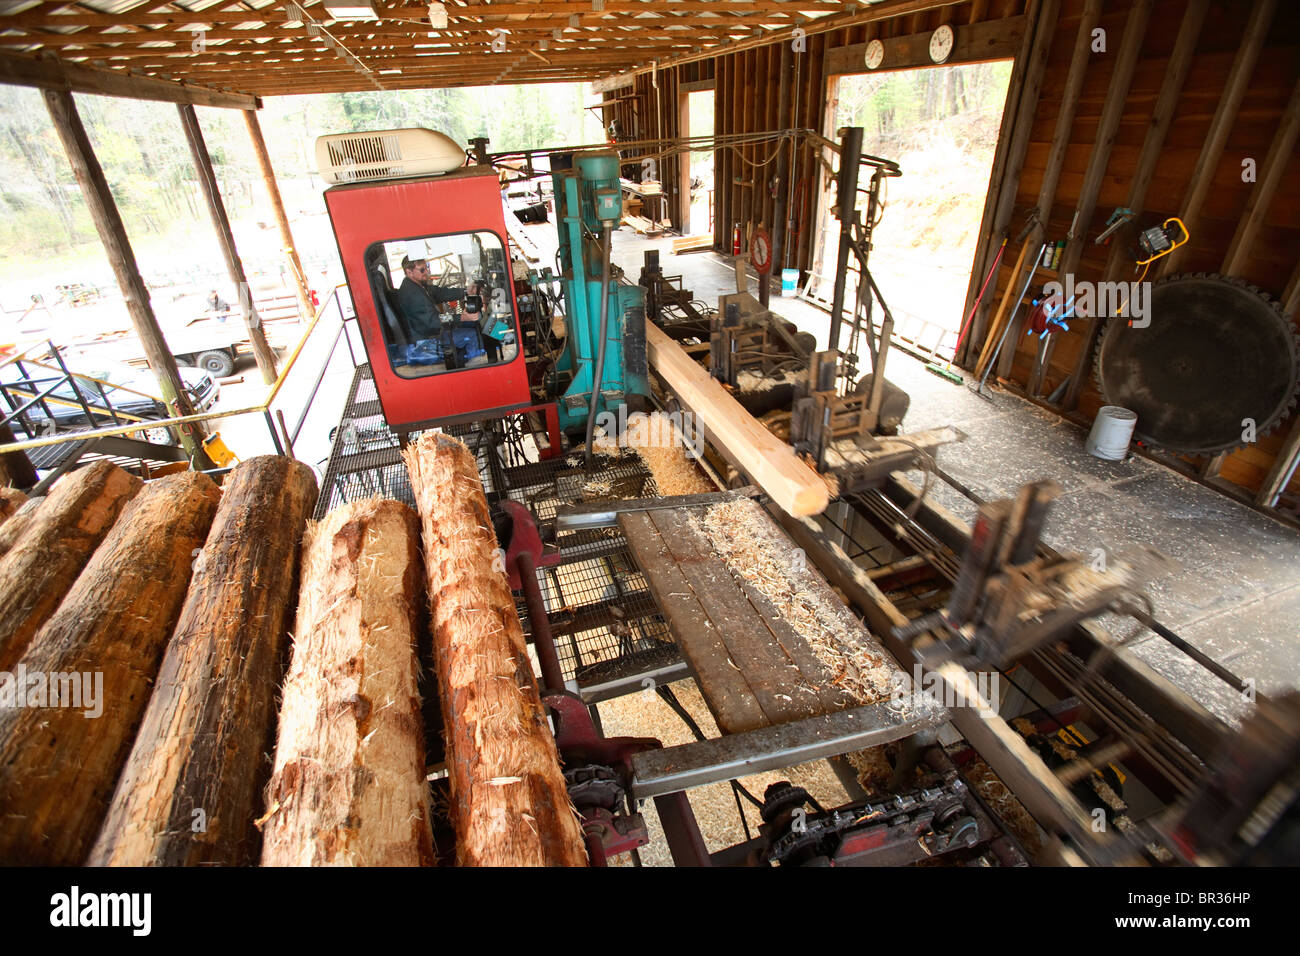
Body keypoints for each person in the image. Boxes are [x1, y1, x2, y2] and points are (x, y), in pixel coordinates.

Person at [396, 257, 498, 363]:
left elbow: (439, 293)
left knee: (474, 323)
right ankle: (478, 369)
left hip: (431, 332)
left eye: (426, 267)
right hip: (425, 342)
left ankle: (491, 350)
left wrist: (466, 291)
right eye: (422, 270)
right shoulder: (412, 294)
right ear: (409, 272)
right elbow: (434, 321)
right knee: (471, 335)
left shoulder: (418, 285)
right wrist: (461, 317)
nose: (426, 272)